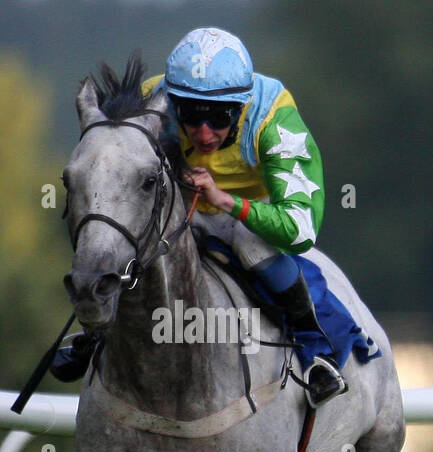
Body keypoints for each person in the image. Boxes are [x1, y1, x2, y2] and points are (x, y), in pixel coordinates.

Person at [54, 26, 345, 407]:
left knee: (249, 245)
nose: (205, 133)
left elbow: (299, 230)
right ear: (175, 102)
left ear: (240, 108)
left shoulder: (275, 122)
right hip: (176, 209)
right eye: (191, 116)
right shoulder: (152, 102)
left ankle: (316, 346)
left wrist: (225, 200)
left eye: (220, 118)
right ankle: (95, 333)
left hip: (246, 217)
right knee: (123, 234)